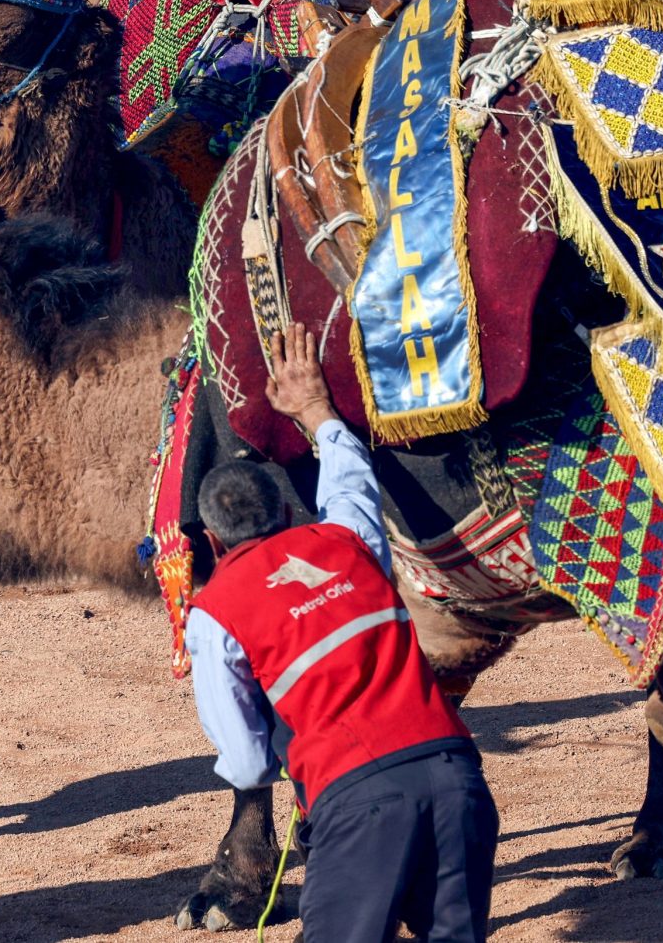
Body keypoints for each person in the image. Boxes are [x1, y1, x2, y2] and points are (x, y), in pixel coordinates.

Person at [185, 324, 498, 943]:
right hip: (458, 779)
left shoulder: (216, 612)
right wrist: (315, 409)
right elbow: (350, 477)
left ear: (215, 542)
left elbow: (247, 764)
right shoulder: (349, 544)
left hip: (360, 807)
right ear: (282, 514)